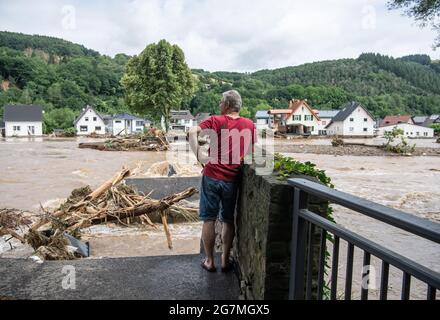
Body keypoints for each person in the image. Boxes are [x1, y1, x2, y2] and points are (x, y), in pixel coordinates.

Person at [189, 90, 256, 273]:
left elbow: (191, 132)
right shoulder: (250, 124)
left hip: (212, 176)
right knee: (228, 220)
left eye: (220, 102)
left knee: (208, 219)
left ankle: (210, 261)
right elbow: (249, 150)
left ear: (226, 105)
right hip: (232, 178)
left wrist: (199, 156)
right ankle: (225, 260)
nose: (219, 105)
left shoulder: (215, 120)